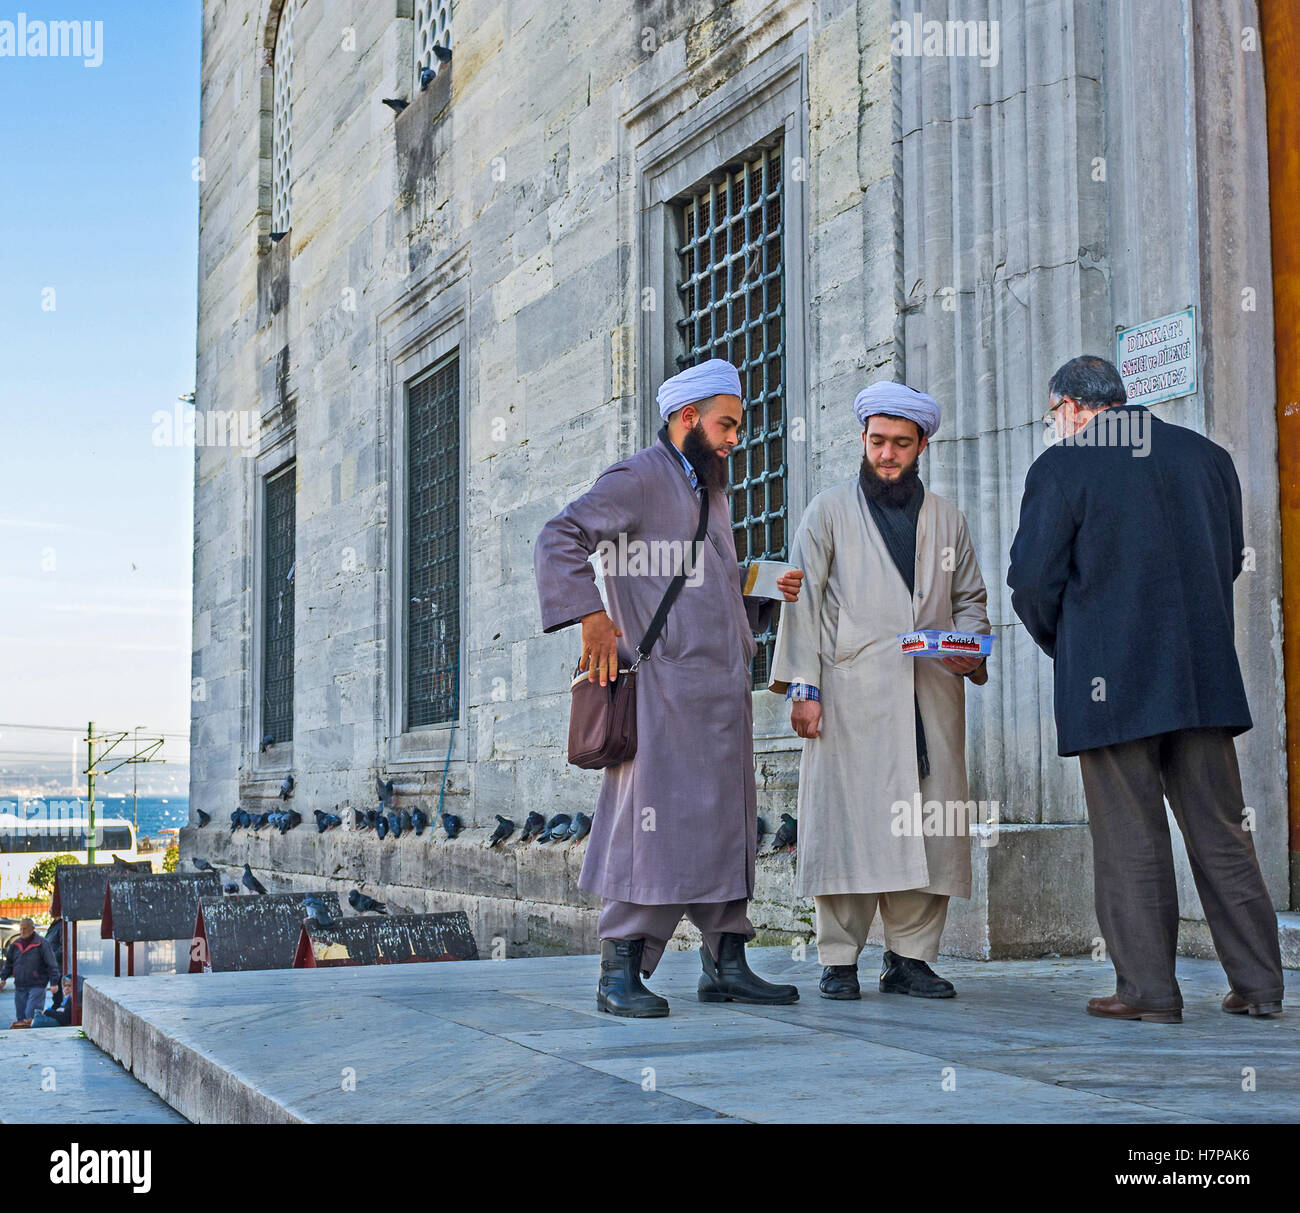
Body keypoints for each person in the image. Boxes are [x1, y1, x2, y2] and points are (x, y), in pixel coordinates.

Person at [1008, 354, 1284, 1023]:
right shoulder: (1208, 458)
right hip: (1201, 680)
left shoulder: (1062, 466)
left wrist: (1069, 646)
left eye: (1054, 415)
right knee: (1223, 831)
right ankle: (1260, 984)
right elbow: (1226, 560)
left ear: (1072, 407)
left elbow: (1033, 584)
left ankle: (1149, 991)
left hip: (1109, 683)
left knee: (1129, 835)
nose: (1056, 426)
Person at [534, 358, 804, 1017]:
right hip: (659, 689)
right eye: (726, 425)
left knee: (726, 824)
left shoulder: (711, 491)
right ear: (688, 419)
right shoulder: (638, 477)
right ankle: (619, 967)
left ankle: (725, 960)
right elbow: (559, 535)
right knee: (650, 828)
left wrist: (761, 587)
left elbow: (706, 583)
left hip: (720, 692)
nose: (735, 437)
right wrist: (591, 615)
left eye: (737, 426)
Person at [769, 382, 990, 1000]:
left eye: (900, 443)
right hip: (849, 694)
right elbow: (804, 602)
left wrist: (968, 647)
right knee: (847, 824)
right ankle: (839, 960)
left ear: (922, 446)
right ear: (862, 441)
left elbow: (970, 599)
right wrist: (803, 689)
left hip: (929, 694)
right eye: (877, 442)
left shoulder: (947, 517)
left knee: (928, 825)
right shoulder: (828, 510)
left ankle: (910, 959)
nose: (887, 455)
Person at [0, 917, 60, 1025]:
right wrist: (3, 978)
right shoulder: (15, 944)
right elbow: (9, 963)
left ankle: (35, 1037)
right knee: (21, 1017)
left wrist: (54, 982)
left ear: (32, 929)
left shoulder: (42, 944)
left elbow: (51, 964)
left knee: (31, 1014)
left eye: (25, 928)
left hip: (37, 985)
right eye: (21, 928)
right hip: (20, 985)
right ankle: (22, 1039)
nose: (22, 931)